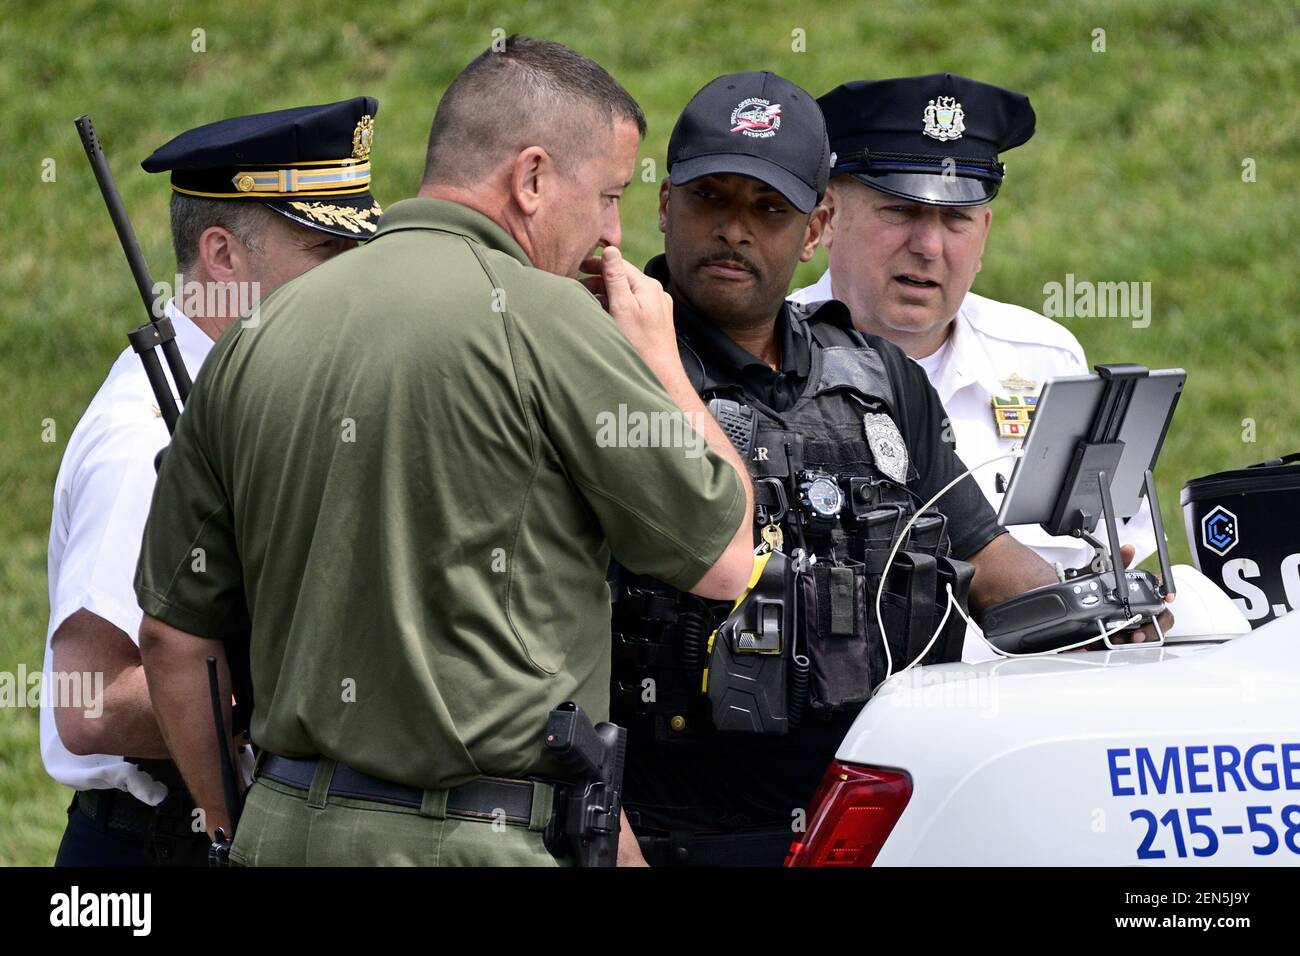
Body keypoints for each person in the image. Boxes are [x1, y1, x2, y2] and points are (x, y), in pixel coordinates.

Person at [133, 36, 755, 867]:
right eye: (606, 196)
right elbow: (723, 556)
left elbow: (175, 639)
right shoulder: (548, 320)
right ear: (532, 180)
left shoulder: (257, 332)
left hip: (279, 833)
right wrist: (662, 362)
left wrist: (231, 824)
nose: (612, 233)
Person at [611, 71, 1168, 868]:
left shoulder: (878, 377)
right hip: (667, 832)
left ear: (815, 228)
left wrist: (1093, 610)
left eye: (767, 209)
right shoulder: (603, 358)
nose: (734, 231)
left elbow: (983, 557)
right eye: (711, 200)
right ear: (664, 204)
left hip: (873, 820)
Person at [42, 97, 380, 866]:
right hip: (155, 844)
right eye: (329, 255)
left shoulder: (242, 401)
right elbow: (86, 703)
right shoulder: (143, 437)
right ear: (224, 257)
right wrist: (282, 686)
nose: (357, 287)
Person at [789, 74, 1157, 635]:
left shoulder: (1043, 359)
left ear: (983, 233)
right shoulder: (770, 355)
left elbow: (1122, 554)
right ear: (829, 216)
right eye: (900, 211)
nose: (929, 246)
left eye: (955, 219)